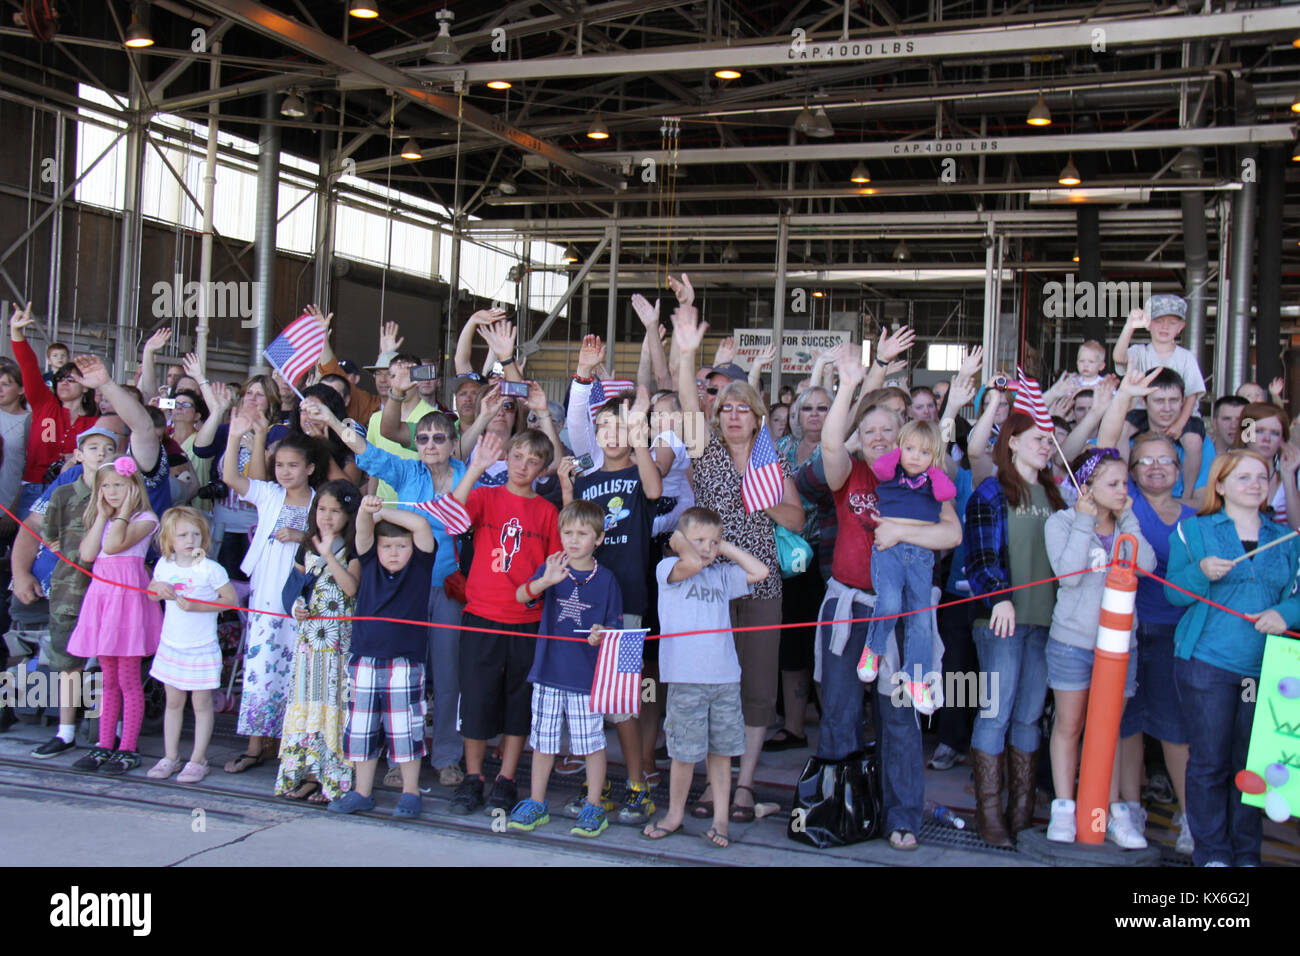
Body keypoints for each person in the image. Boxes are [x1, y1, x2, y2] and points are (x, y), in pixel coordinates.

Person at [808, 352, 961, 850]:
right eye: (869, 430)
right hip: (848, 611)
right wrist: (850, 384)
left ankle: (902, 818)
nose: (877, 437)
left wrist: (901, 527)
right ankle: (840, 810)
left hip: (900, 618)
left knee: (900, 718)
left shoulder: (922, 481)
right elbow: (831, 441)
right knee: (839, 712)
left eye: (887, 431)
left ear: (904, 442)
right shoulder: (847, 473)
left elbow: (952, 533)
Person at [672, 280, 805, 823]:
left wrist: (766, 497)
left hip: (760, 585)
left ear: (756, 416)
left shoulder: (772, 463)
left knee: (753, 686)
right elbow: (685, 402)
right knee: (711, 684)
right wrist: (686, 353)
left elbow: (797, 518)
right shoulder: (702, 453)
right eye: (724, 408)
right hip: (709, 585)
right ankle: (713, 782)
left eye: (742, 410)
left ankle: (744, 784)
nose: (732, 416)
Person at [313, 391, 469, 787]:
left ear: (453, 443)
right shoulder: (407, 472)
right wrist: (332, 420)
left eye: (439, 438)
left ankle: (448, 756)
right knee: (406, 676)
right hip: (404, 589)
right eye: (423, 438)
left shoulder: (468, 472)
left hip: (450, 587)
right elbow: (365, 451)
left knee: (449, 675)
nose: (431, 445)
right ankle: (403, 759)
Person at [1164, 449, 1300, 866]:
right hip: (1207, 664)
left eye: (1262, 476)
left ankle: (1246, 855)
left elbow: (1296, 596)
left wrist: (1285, 614)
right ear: (1220, 485)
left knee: (1251, 766)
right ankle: (1212, 855)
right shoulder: (1195, 532)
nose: (1255, 484)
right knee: (1209, 762)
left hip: (1263, 669)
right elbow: (1173, 594)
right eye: (1243, 477)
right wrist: (1199, 571)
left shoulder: (1286, 537)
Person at [437, 428, 561, 815]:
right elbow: (452, 522)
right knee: (475, 699)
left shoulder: (547, 512)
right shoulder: (485, 496)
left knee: (517, 703)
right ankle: (474, 778)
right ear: (506, 457)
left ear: (542, 470)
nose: (523, 466)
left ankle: (506, 779)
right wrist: (474, 469)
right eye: (518, 456)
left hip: (527, 620)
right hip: (481, 616)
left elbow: (555, 567)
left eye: (534, 461)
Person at [558, 385, 661, 824]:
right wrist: (566, 486)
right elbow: (573, 530)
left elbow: (655, 491)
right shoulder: (586, 479)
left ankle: (638, 785)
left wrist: (640, 435)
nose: (612, 435)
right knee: (590, 699)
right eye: (605, 427)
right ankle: (594, 786)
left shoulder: (641, 472)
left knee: (623, 702)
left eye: (621, 427)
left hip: (629, 603)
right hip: (587, 600)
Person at [1042, 448, 1155, 846]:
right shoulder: (1062, 521)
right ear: (1086, 487)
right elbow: (1069, 575)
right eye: (1113, 484)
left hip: (1120, 645)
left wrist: (1127, 522)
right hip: (1073, 641)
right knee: (1070, 725)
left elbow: (1148, 566)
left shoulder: (1127, 522)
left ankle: (1109, 811)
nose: (1123, 491)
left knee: (1107, 729)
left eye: (1126, 483)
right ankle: (1064, 807)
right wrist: (1086, 520)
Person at [964, 410, 1066, 847]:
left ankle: (1020, 813)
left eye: (1050, 440)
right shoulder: (989, 492)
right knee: (995, 713)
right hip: (1000, 620)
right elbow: (981, 560)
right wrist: (1000, 595)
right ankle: (990, 817)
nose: (1047, 445)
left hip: (1046, 620)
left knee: (1028, 716)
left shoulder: (1055, 493)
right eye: (1039, 438)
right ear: (1012, 442)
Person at [642, 507, 770, 849]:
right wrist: (688, 546)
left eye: (713, 541)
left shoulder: (721, 575)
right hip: (686, 679)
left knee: (722, 753)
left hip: (724, 679)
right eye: (699, 539)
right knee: (684, 753)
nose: (707, 548)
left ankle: (721, 821)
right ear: (679, 540)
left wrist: (723, 548)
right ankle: (675, 815)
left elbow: (761, 571)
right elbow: (692, 564)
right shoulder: (668, 568)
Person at [508, 500, 624, 838]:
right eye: (567, 533)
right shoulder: (552, 566)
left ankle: (593, 806)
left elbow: (615, 627)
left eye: (583, 534)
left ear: (599, 539)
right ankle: (537, 801)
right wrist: (546, 581)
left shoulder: (607, 580)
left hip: (586, 677)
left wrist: (601, 635)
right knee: (543, 741)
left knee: (590, 743)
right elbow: (520, 596)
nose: (573, 540)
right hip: (547, 671)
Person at [329, 495, 437, 819]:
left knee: (405, 728)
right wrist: (366, 511)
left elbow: (420, 525)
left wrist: (382, 511)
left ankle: (410, 791)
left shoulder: (420, 566)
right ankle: (362, 792)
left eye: (401, 546)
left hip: (405, 662)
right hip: (363, 658)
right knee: (360, 728)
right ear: (375, 549)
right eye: (387, 546)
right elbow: (363, 530)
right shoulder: (370, 563)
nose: (393, 552)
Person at [220, 419, 318, 774]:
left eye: (293, 465)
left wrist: (301, 536)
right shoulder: (268, 494)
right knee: (262, 666)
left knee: (295, 667)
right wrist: (234, 438)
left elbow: (333, 541)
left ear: (309, 468)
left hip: (300, 597)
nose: (285, 471)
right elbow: (232, 477)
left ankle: (287, 745)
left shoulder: (319, 502)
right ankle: (254, 744)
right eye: (279, 465)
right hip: (265, 593)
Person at [1118, 432, 1198, 855]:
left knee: (1174, 727)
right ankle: (1130, 810)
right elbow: (1109, 443)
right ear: (1131, 473)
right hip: (1125, 629)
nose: (1156, 467)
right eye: (1145, 461)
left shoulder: (1197, 516)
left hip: (1175, 634)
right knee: (1126, 724)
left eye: (1165, 460)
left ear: (1179, 467)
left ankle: (1190, 818)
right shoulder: (1125, 504)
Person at [21, 426, 119, 759]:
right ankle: (65, 732)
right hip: (69, 586)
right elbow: (45, 533)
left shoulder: (121, 492)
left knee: (110, 659)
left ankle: (112, 730)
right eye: (93, 448)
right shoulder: (63, 493)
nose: (101, 453)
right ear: (78, 455)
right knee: (67, 660)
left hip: (108, 586)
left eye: (108, 448)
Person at [65, 457, 162, 775]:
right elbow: (89, 553)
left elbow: (115, 544)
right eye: (105, 486)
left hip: (128, 602)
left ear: (134, 487)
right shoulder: (101, 517)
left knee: (129, 679)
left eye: (118, 485)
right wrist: (103, 515)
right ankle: (104, 744)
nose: (111, 491)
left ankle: (127, 747)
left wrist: (119, 513)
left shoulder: (145, 518)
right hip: (104, 601)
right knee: (108, 680)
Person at [857, 419, 956, 714]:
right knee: (888, 602)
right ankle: (873, 649)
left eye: (924, 452)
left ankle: (916, 677)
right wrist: (898, 451)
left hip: (922, 554)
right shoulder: (892, 471)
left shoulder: (933, 480)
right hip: (890, 550)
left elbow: (946, 492)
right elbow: (881, 467)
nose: (915, 456)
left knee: (921, 617)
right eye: (910, 449)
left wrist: (935, 468)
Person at [276, 481, 362, 804]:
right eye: (322, 509)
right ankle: (307, 773)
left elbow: (351, 588)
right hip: (309, 644)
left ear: (347, 514)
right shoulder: (306, 547)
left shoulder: (352, 548)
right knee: (308, 704)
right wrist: (295, 605)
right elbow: (292, 587)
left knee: (333, 706)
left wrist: (330, 555)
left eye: (335, 511)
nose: (326, 517)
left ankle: (332, 778)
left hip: (338, 645)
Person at [146, 507, 237, 784]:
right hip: (172, 644)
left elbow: (231, 600)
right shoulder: (165, 564)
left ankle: (198, 758)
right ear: (169, 540)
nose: (191, 540)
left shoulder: (211, 569)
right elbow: (152, 589)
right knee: (173, 702)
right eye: (183, 534)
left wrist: (198, 606)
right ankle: (170, 756)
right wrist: (157, 591)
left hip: (201, 646)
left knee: (201, 703)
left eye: (196, 534)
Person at [9, 303, 97, 516]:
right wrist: (17, 333)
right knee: (28, 543)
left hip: (76, 492)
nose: (63, 383)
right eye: (59, 379)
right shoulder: (44, 403)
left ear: (86, 386)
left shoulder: (95, 422)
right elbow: (28, 366)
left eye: (70, 379)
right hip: (34, 487)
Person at [1112, 296, 1206, 497]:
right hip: (1145, 411)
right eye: (1158, 321)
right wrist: (1129, 326)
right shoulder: (1139, 352)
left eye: (1172, 322)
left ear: (1181, 327)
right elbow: (1119, 358)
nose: (1165, 327)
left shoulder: (1185, 357)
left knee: (1193, 442)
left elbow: (1192, 394)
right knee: (1121, 431)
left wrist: (1180, 423)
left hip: (1183, 414)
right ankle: (1126, 485)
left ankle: (1188, 493)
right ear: (1148, 324)